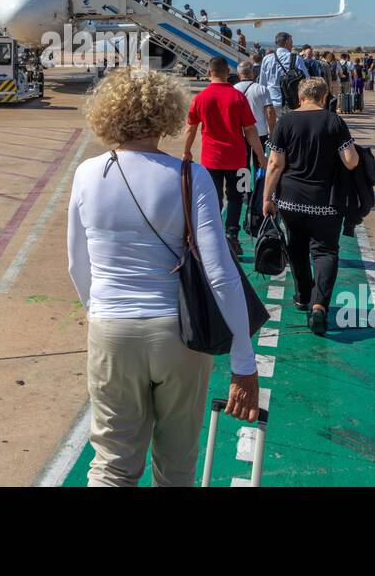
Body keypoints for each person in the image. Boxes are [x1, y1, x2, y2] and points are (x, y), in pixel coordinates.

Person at [67, 69, 260, 486]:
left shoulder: (87, 174)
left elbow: (77, 265)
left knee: (113, 464)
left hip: (112, 328)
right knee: (176, 465)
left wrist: (102, 312)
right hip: (180, 334)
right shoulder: (190, 176)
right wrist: (243, 363)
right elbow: (220, 274)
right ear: (168, 114)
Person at [263, 77, 359, 335]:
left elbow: (275, 164)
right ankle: (320, 305)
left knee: (297, 249)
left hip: (291, 199)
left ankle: (303, 295)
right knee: (326, 252)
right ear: (324, 96)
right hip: (326, 201)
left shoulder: (285, 121)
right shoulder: (334, 121)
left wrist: (266, 197)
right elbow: (350, 161)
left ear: (299, 95)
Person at [182, 56, 266, 257]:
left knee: (214, 198)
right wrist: (261, 156)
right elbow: (251, 130)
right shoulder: (238, 97)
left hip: (211, 160)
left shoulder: (200, 98)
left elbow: (190, 129)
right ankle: (232, 235)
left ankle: (214, 237)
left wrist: (186, 151)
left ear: (209, 73)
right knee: (238, 196)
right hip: (238, 160)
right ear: (228, 73)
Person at [234, 59, 272, 233]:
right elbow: (269, 111)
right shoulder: (261, 89)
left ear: (239, 73)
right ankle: (258, 190)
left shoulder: (234, 89)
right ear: (253, 73)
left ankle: (244, 194)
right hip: (260, 132)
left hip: (239, 133)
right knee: (260, 163)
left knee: (242, 164)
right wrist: (273, 130)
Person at [258, 31, 312, 121]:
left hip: (271, 102)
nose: (292, 45)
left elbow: (262, 84)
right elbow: (307, 80)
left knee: (274, 132)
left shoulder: (266, 59)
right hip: (290, 102)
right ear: (287, 42)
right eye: (291, 42)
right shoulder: (295, 58)